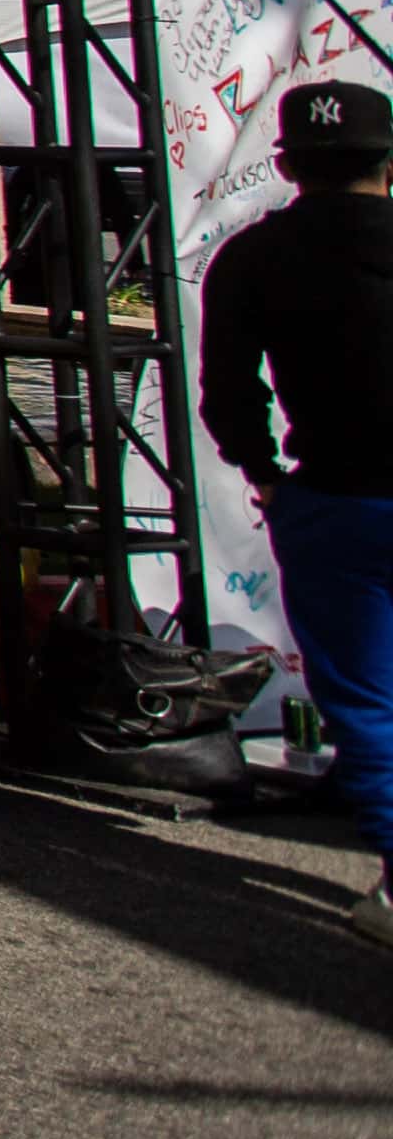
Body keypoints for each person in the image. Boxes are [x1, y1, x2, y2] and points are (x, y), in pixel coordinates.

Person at [199, 76, 393, 956]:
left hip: (335, 503)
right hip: (334, 503)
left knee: (366, 701)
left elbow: (228, 392)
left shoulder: (254, 256)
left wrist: (264, 472)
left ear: (288, 164)